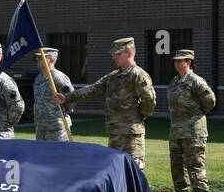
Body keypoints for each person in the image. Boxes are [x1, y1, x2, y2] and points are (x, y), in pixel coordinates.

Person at [57, 38, 156, 169]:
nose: (114, 57)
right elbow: (93, 89)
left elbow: (149, 101)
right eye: (113, 54)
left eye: (118, 54)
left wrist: (139, 116)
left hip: (131, 136)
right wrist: (67, 98)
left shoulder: (138, 75)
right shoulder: (113, 77)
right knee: (116, 170)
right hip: (114, 134)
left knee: (133, 170)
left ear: (130, 53)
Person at [167, 49, 217, 192]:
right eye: (175, 61)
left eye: (180, 60)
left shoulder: (196, 81)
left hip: (194, 131)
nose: (176, 63)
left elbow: (210, 101)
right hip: (176, 130)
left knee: (195, 164)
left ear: (188, 62)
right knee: (177, 165)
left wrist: (196, 112)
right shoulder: (174, 81)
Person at [33, 48, 74, 141]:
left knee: (58, 155)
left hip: (57, 129)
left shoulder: (59, 78)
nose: (37, 60)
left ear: (51, 60)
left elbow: (71, 100)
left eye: (40, 58)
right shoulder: (38, 78)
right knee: (41, 155)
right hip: (41, 127)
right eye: (37, 58)